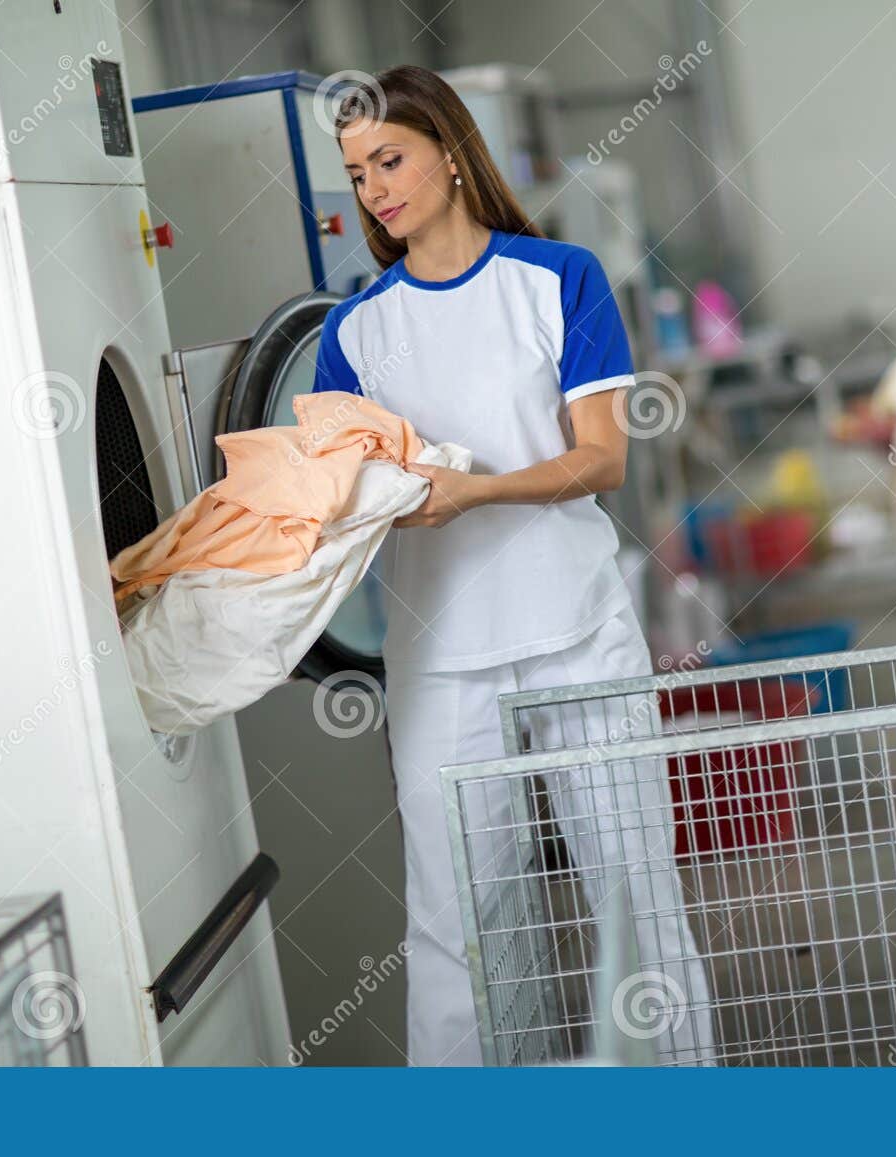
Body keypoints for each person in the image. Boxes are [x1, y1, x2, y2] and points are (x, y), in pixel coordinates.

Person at [310, 64, 714, 1067]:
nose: (376, 190)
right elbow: (339, 489)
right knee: (458, 928)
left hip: (576, 628)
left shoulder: (556, 278)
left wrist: (471, 491)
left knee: (633, 892)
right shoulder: (352, 332)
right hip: (441, 651)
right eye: (356, 176)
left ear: (449, 153)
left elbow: (602, 459)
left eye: (390, 160)